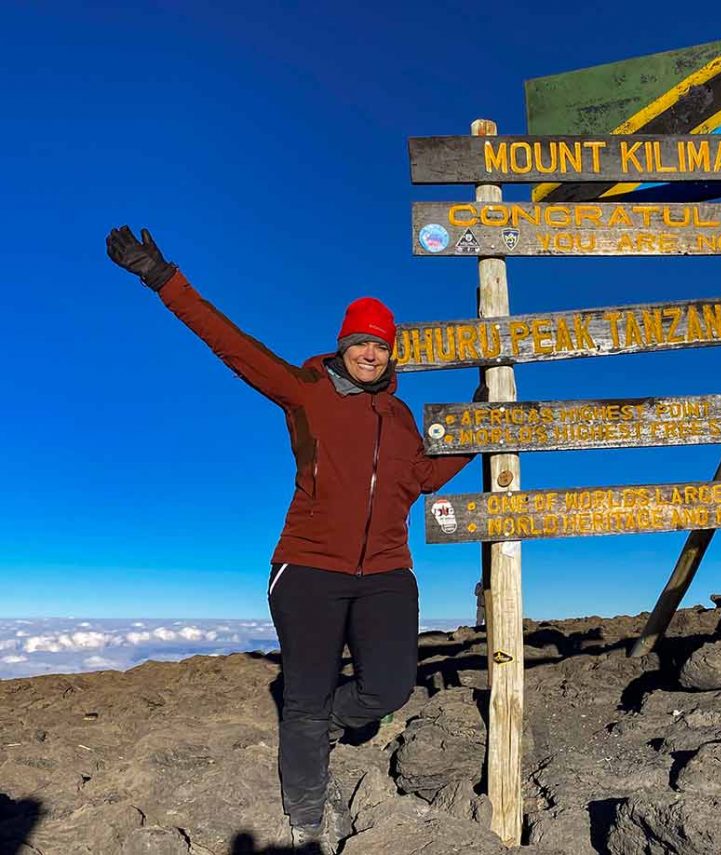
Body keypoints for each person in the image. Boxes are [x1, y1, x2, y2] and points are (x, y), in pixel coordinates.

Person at [106, 226, 474, 849]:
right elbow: (233, 345)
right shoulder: (306, 392)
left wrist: (472, 430)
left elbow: (417, 480)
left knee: (388, 686)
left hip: (387, 570)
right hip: (308, 569)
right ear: (343, 345)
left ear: (391, 354)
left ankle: (314, 728)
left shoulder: (402, 416)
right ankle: (307, 819)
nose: (370, 353)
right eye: (360, 341)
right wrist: (164, 279)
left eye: (380, 345)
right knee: (305, 693)